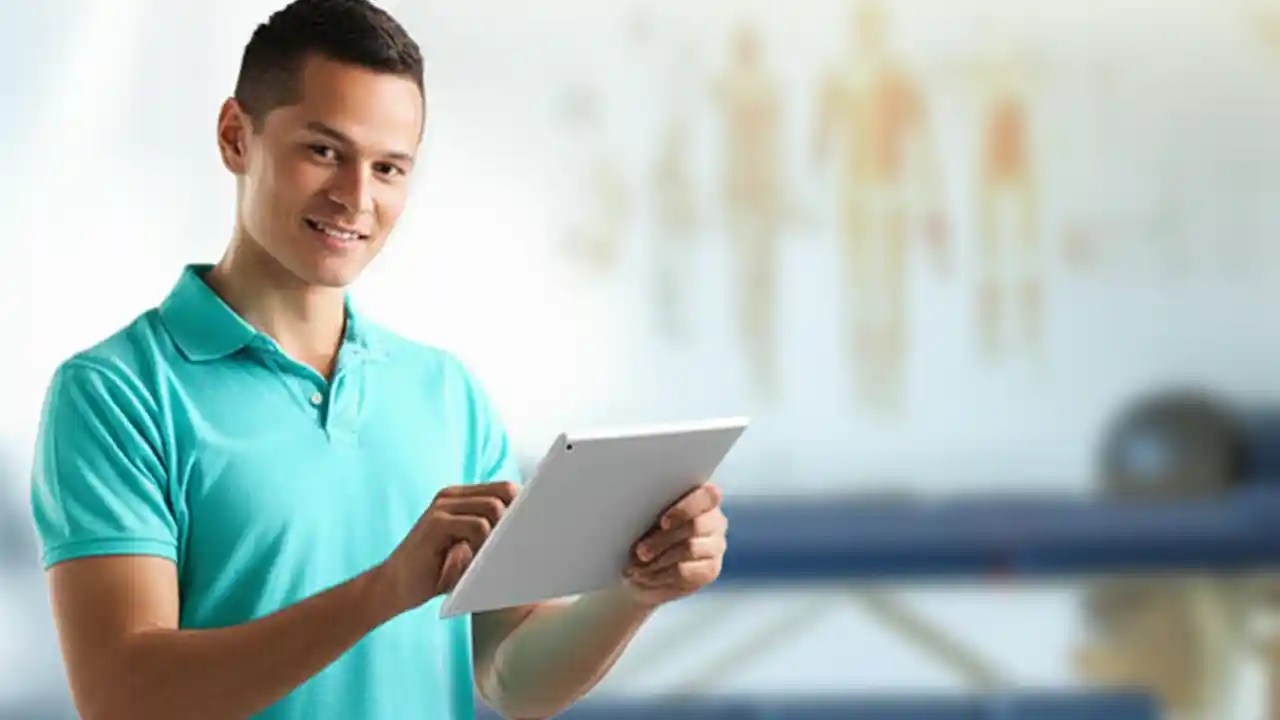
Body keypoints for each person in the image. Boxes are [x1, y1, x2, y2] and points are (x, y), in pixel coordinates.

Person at [28, 2, 730, 719]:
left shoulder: (447, 394)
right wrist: (384, 590)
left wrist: (634, 589)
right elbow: (124, 698)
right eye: (323, 151)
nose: (355, 198)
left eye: (388, 167)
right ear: (236, 136)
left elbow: (510, 677)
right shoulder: (116, 394)